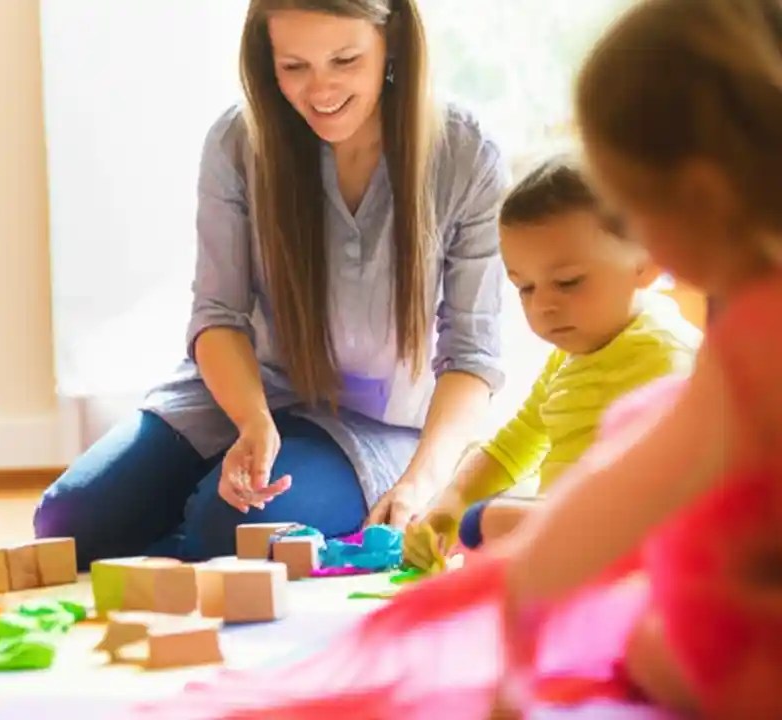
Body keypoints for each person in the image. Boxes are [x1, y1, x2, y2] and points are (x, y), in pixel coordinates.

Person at [127, 0, 782, 716]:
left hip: (743, 633)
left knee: (639, 638)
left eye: (632, 210)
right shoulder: (240, 142)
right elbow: (538, 448)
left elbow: (616, 499)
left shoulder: (740, 348)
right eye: (295, 66)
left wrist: (519, 603)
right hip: (279, 411)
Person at [36, 0, 508, 565]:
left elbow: (471, 353)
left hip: (372, 424)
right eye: (294, 67)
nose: (321, 90)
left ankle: (207, 525)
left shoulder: (465, 153)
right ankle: (199, 516)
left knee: (222, 532)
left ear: (392, 46)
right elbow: (217, 314)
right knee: (67, 522)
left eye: (344, 60)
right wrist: (251, 420)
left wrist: (421, 481)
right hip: (243, 393)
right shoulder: (238, 141)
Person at [403, 155, 702, 568]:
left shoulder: (670, 356)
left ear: (644, 263)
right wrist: (446, 509)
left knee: (488, 525)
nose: (542, 306)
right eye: (524, 288)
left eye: (568, 282)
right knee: (480, 526)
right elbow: (512, 447)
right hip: (572, 542)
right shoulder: (567, 358)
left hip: (643, 548)